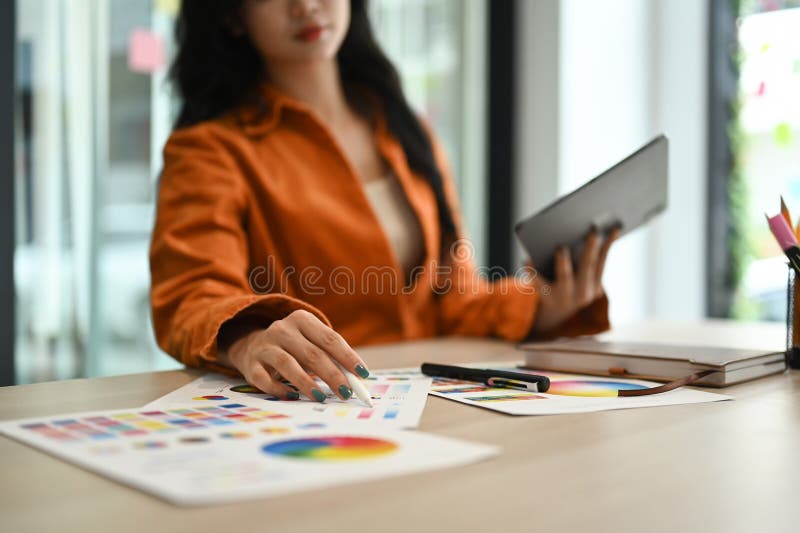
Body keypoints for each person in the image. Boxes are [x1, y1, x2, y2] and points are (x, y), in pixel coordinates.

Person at [150, 0, 618, 404]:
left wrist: (542, 305)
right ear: (231, 15)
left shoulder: (402, 128)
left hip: (437, 393)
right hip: (319, 400)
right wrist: (247, 339)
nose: (305, 5)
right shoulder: (209, 150)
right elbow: (191, 296)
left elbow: (454, 301)